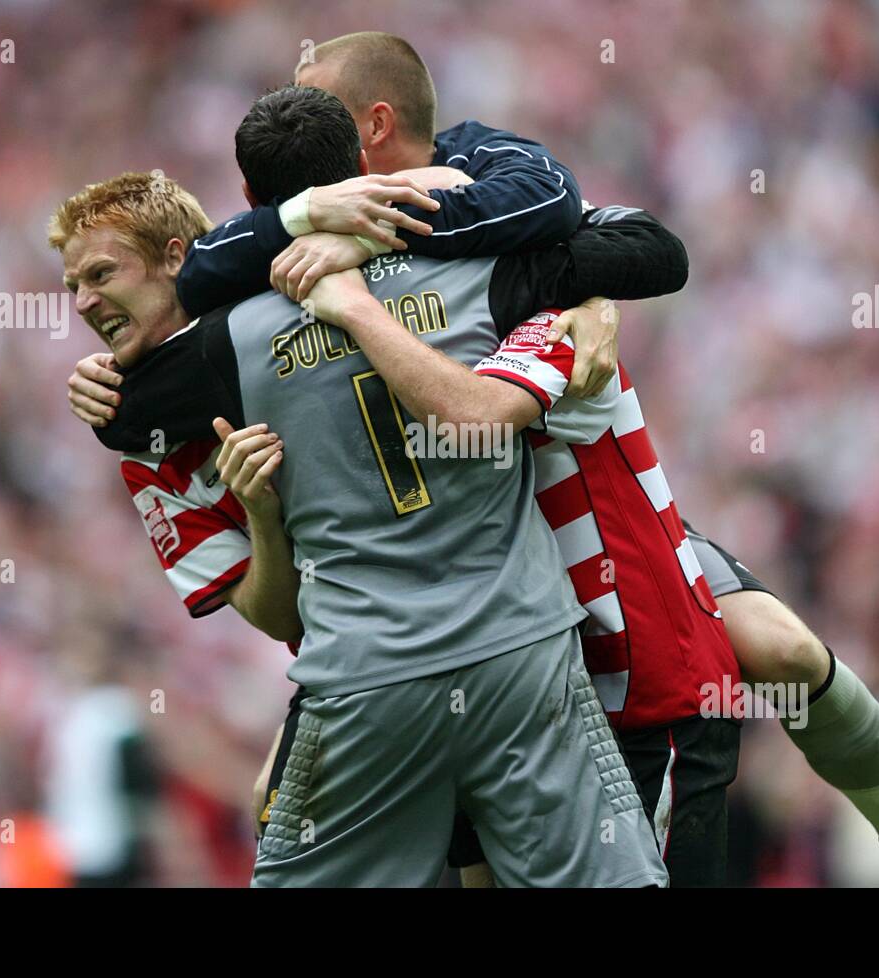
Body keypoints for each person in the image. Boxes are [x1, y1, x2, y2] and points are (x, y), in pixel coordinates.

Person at [57, 85, 695, 887]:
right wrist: (592, 298)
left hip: (364, 679)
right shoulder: (484, 270)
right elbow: (651, 253)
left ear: (252, 200)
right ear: (365, 166)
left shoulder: (229, 342)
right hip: (523, 654)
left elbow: (130, 413)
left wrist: (104, 385)